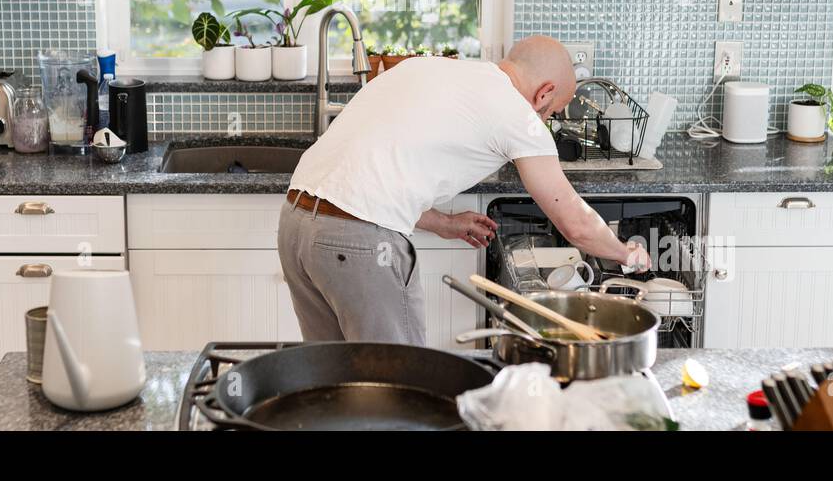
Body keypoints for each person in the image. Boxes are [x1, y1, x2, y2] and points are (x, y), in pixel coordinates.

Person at [278, 34, 651, 345]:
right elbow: (576, 223)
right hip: (358, 245)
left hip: (296, 225)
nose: (548, 119)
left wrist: (442, 222)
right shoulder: (517, 115)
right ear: (544, 93)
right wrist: (626, 253)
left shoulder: (424, 68)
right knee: (395, 381)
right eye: (553, 111)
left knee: (332, 378)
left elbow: (370, 173)